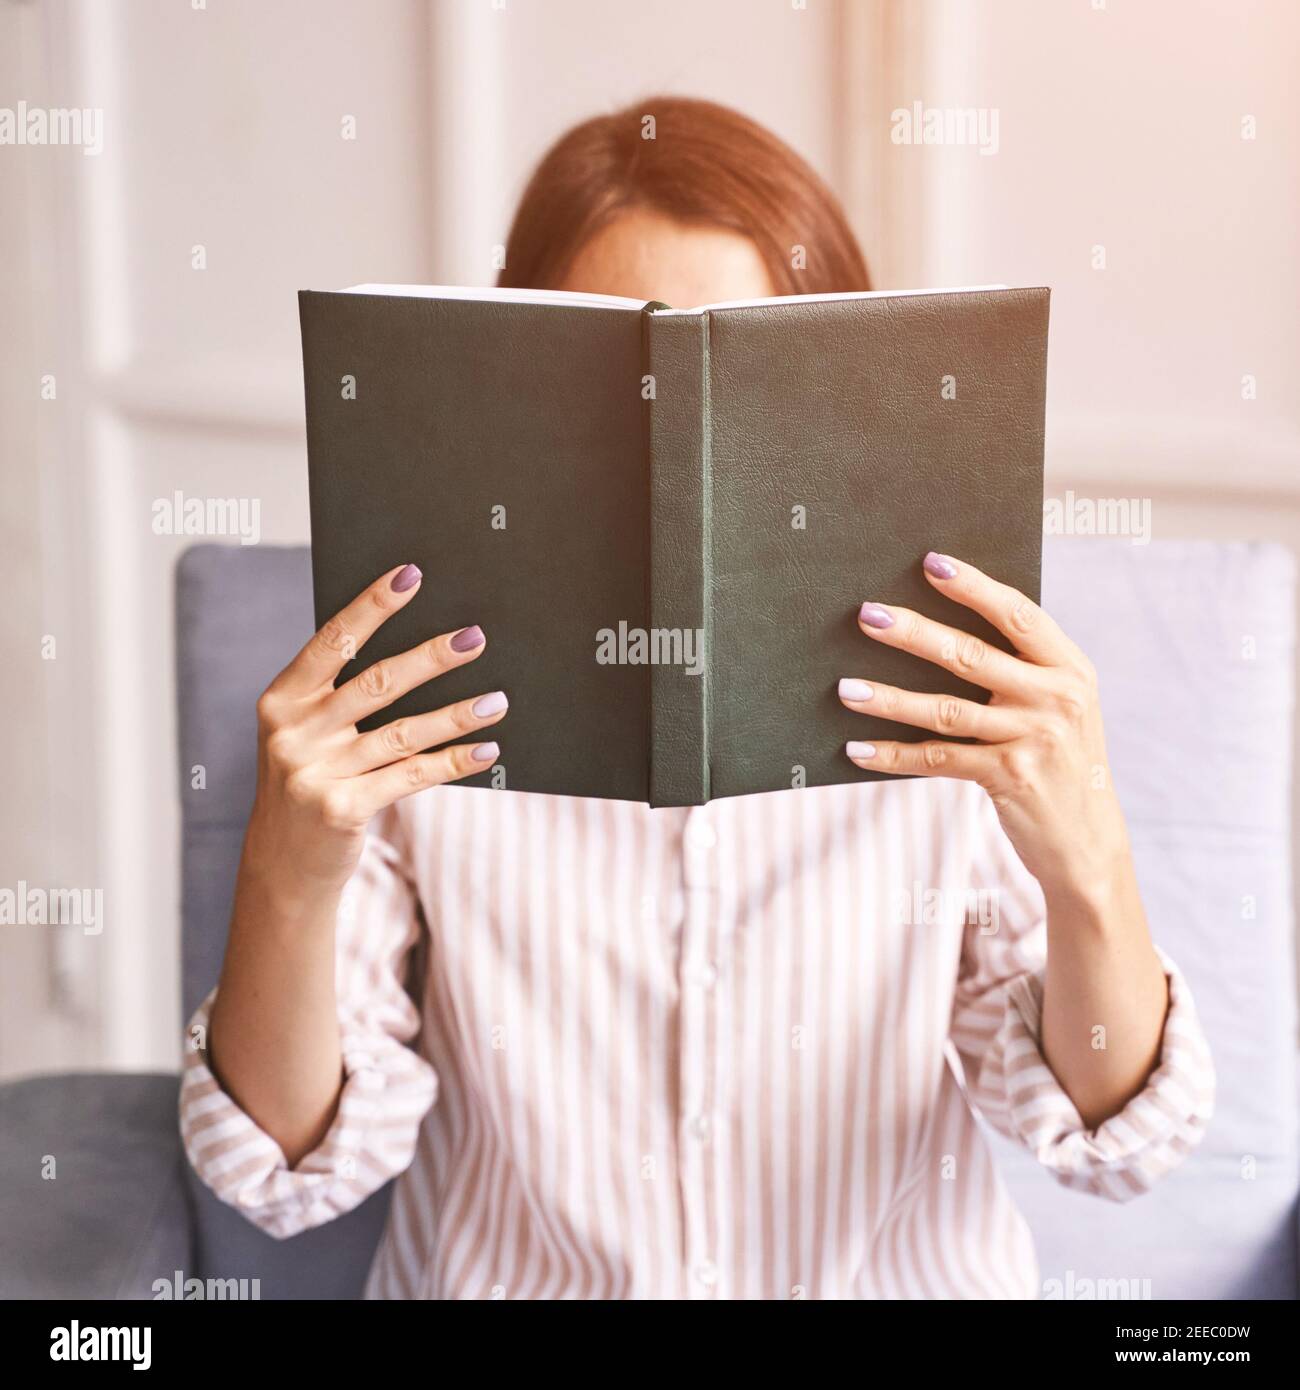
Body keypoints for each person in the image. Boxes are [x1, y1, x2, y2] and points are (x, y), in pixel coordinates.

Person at [180, 97, 1213, 1299]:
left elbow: (1116, 1139)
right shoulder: (421, 719)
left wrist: (1087, 856)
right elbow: (284, 1170)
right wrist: (286, 868)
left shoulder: (953, 708)